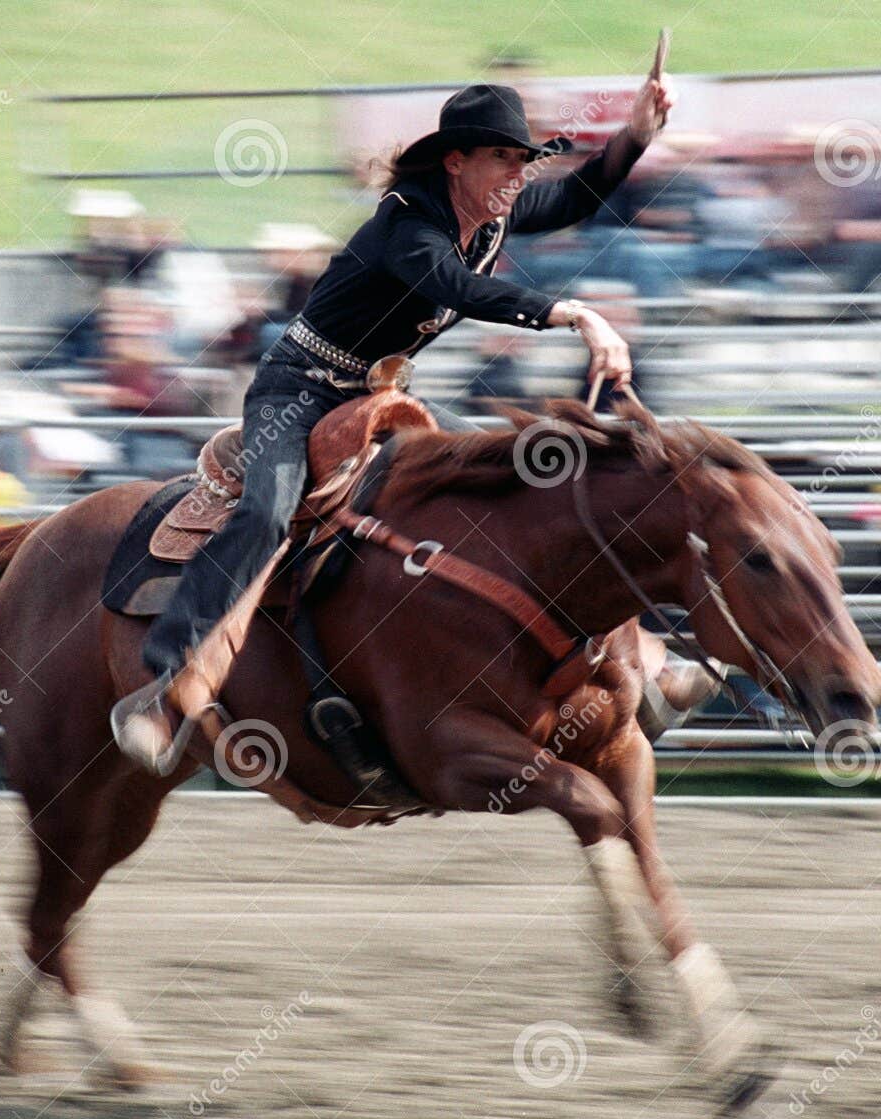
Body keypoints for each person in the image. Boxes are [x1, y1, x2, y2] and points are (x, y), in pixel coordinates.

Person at [118, 69, 696, 769]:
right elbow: (455, 286)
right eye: (503, 159)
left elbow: (577, 194)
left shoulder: (491, 210)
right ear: (457, 160)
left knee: (513, 473)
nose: (517, 174)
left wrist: (634, 133)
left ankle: (637, 659)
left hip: (377, 396)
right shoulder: (407, 220)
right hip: (297, 390)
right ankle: (160, 681)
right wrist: (573, 313)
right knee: (266, 511)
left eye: (522, 161)